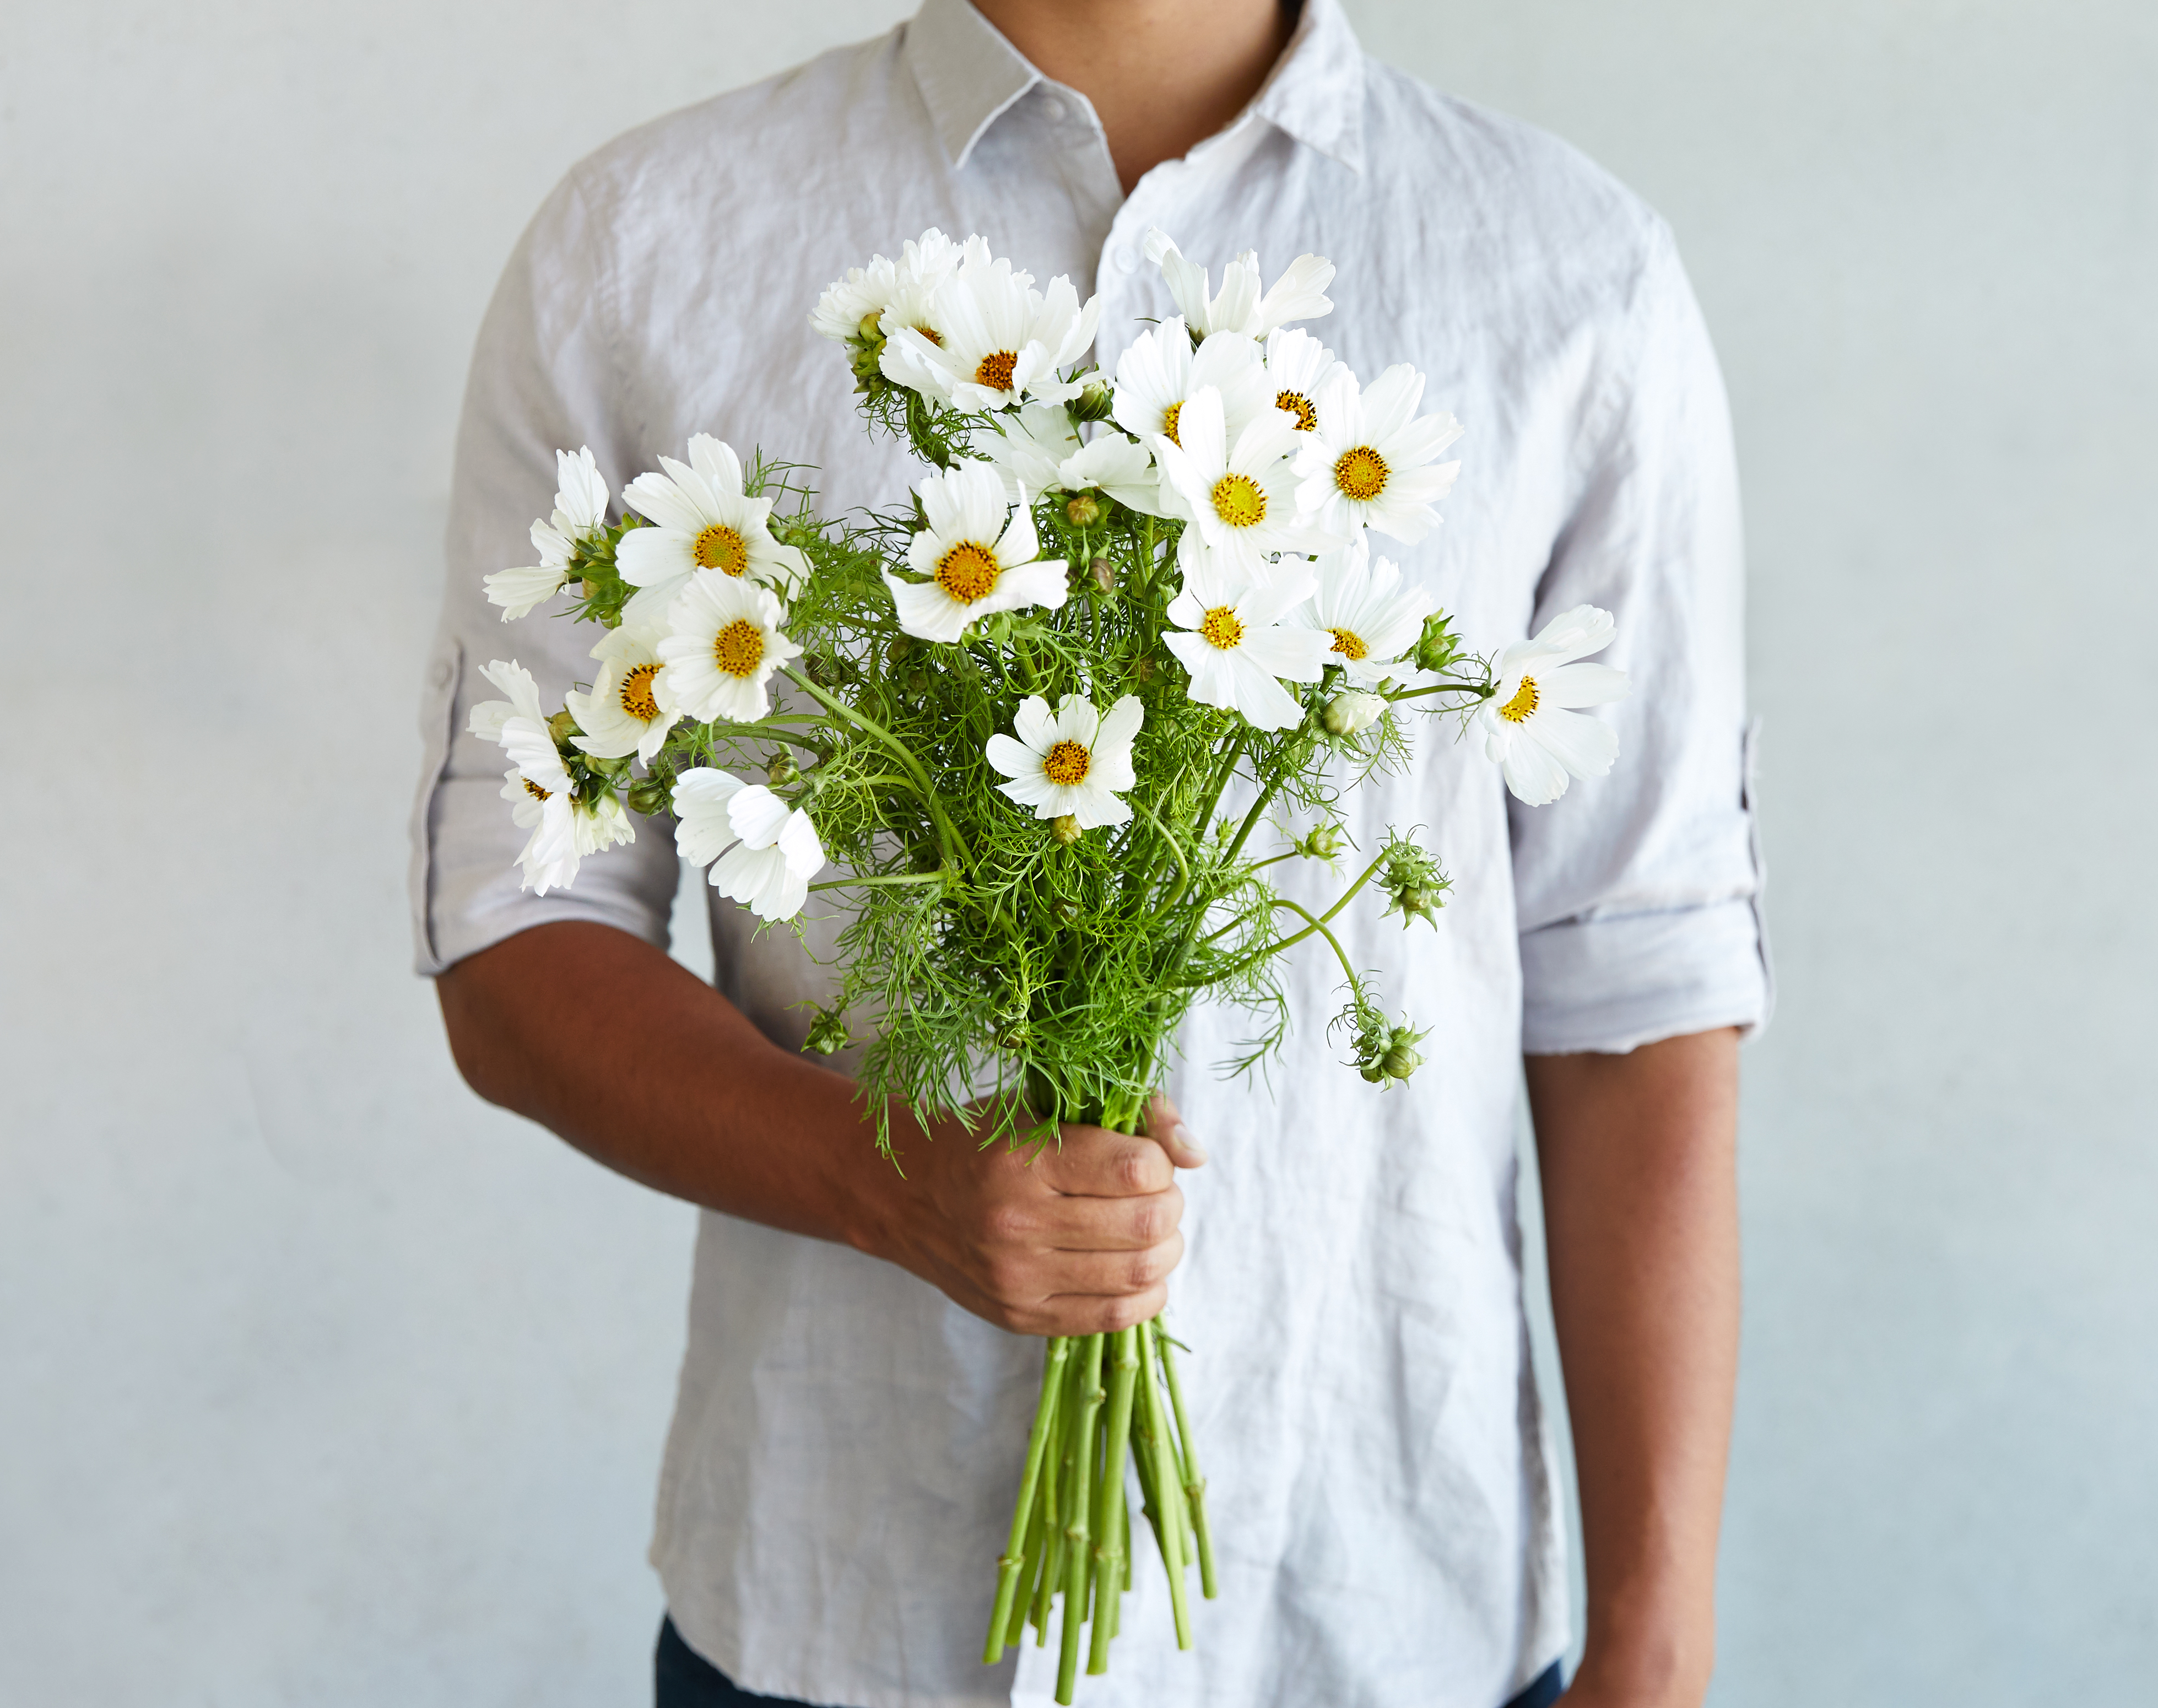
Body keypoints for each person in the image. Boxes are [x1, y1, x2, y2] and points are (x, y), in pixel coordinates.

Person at [414, 1, 1768, 1704]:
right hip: (849, 1611)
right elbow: (515, 923)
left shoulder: (1565, 274)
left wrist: (1655, 1639)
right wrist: (885, 1176)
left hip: (1383, 1604)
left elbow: (1637, 984)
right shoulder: (649, 245)